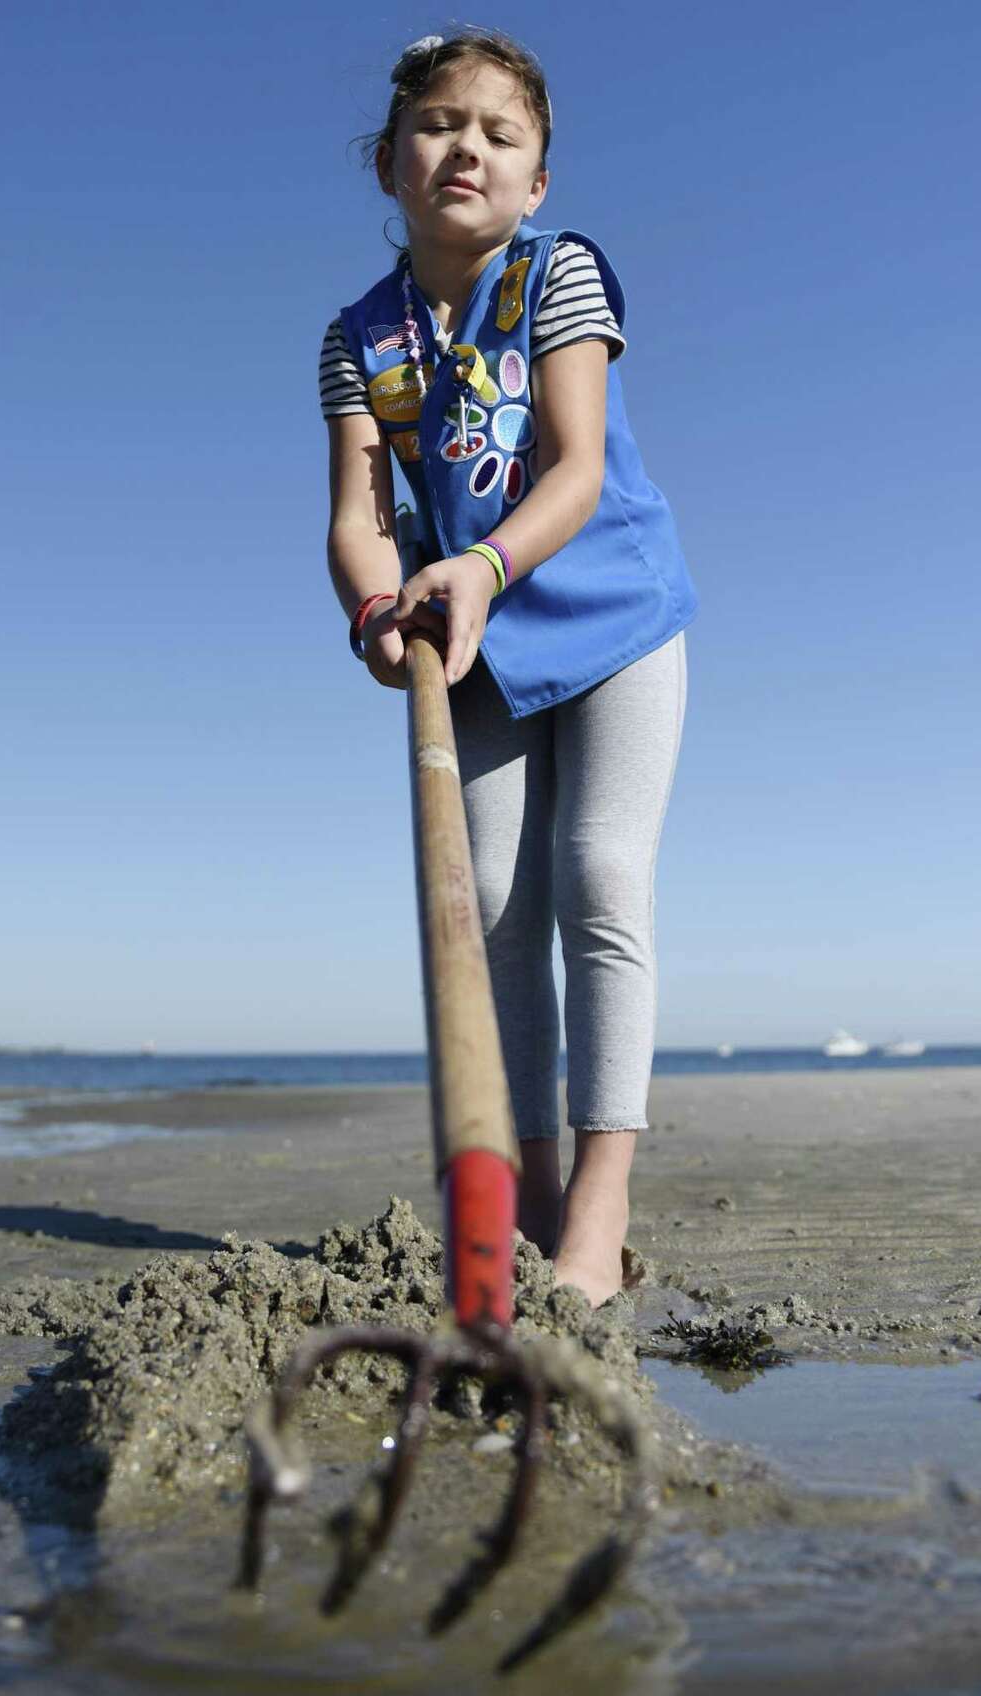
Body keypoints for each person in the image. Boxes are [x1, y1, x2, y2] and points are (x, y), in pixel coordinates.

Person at [318, 30, 696, 1307]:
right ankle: (524, 1193)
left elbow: (576, 467)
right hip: (469, 647)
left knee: (598, 873)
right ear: (387, 162)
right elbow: (360, 514)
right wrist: (378, 605)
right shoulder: (359, 337)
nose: (464, 146)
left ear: (537, 180)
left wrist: (480, 565)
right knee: (488, 908)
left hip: (613, 619)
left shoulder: (559, 275)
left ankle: (600, 1202)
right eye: (436, 124)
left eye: (499, 132)